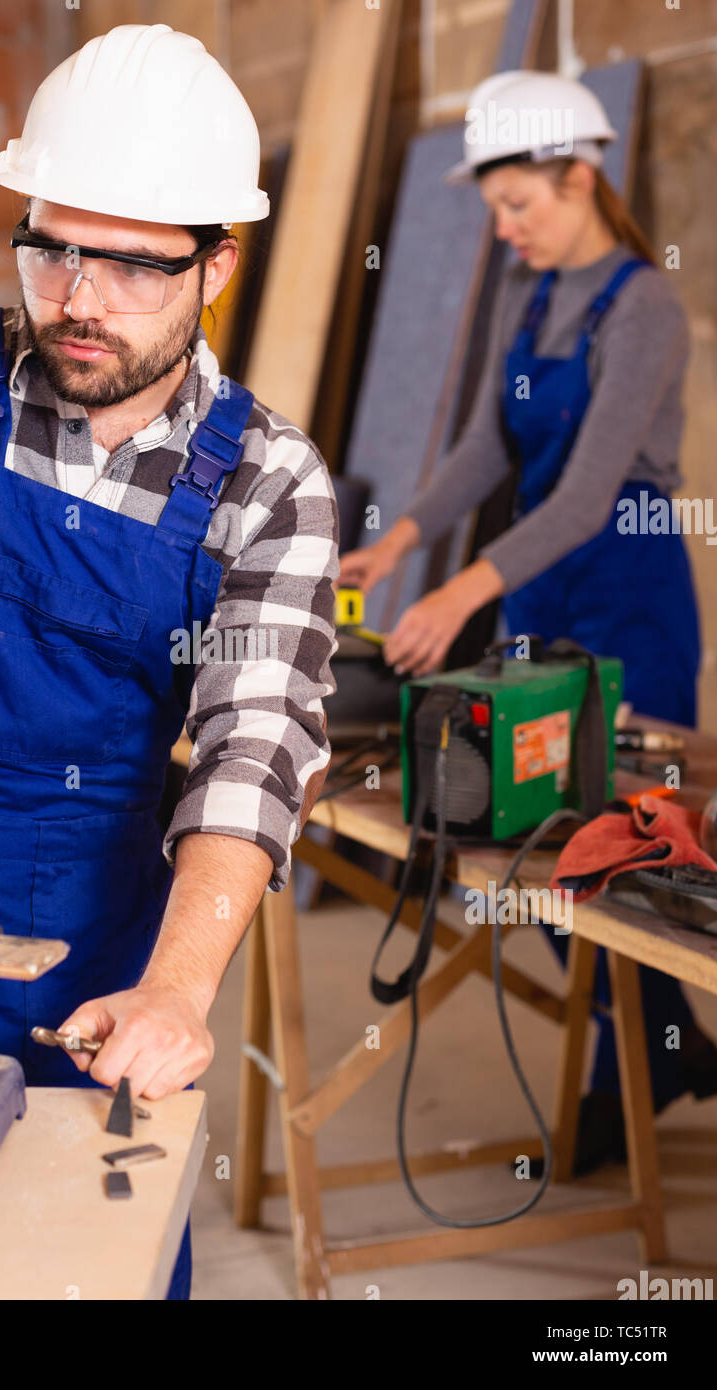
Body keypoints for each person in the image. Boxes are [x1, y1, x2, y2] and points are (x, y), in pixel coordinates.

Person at [0, 23, 338, 1297]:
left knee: (84, 1267)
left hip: (94, 970)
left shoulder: (264, 484)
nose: (75, 299)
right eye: (52, 248)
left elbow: (253, 745)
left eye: (129, 268)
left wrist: (174, 991)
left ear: (216, 267)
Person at [339, 70, 717, 1172]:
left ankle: (621, 1083)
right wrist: (405, 540)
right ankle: (665, 1044)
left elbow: (593, 488)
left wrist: (461, 594)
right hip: (539, 584)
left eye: (520, 204)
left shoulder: (642, 306)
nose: (505, 229)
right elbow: (487, 449)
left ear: (580, 173)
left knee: (623, 846)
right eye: (493, 208)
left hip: (627, 584)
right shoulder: (531, 293)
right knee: (531, 837)